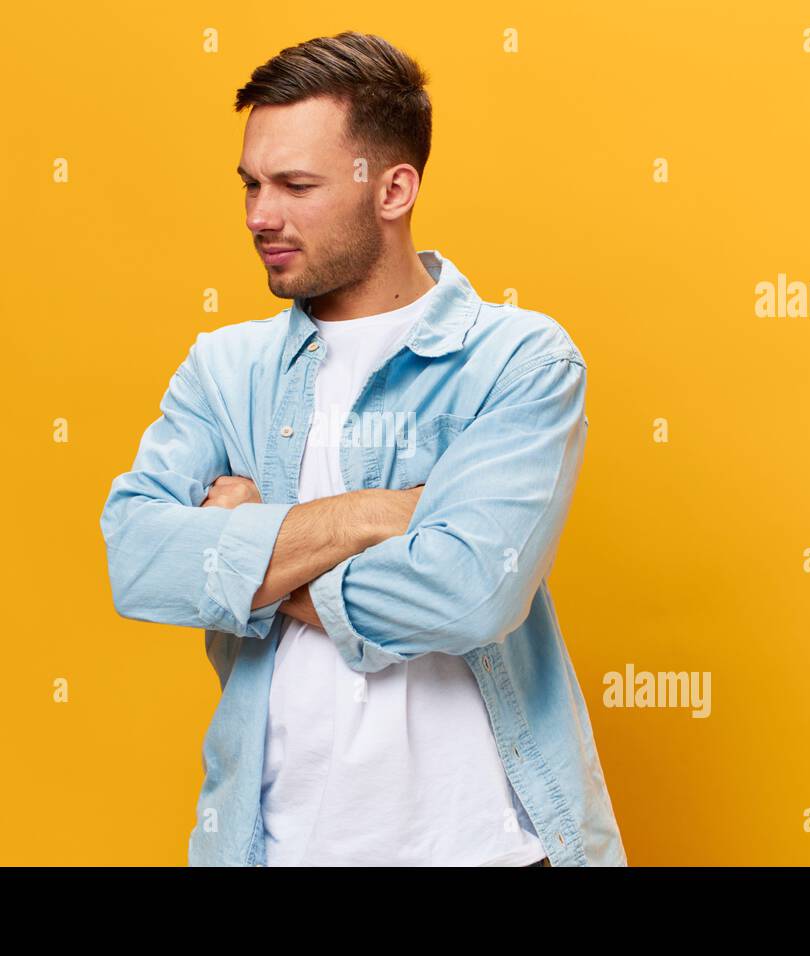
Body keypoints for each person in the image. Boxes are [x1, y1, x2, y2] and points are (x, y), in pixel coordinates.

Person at [100, 31, 626, 867]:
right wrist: (371, 517)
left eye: (294, 186)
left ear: (393, 188)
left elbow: (467, 598)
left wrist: (248, 554)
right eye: (251, 184)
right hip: (271, 849)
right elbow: (138, 558)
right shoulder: (223, 371)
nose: (259, 215)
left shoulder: (519, 362)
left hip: (490, 852)